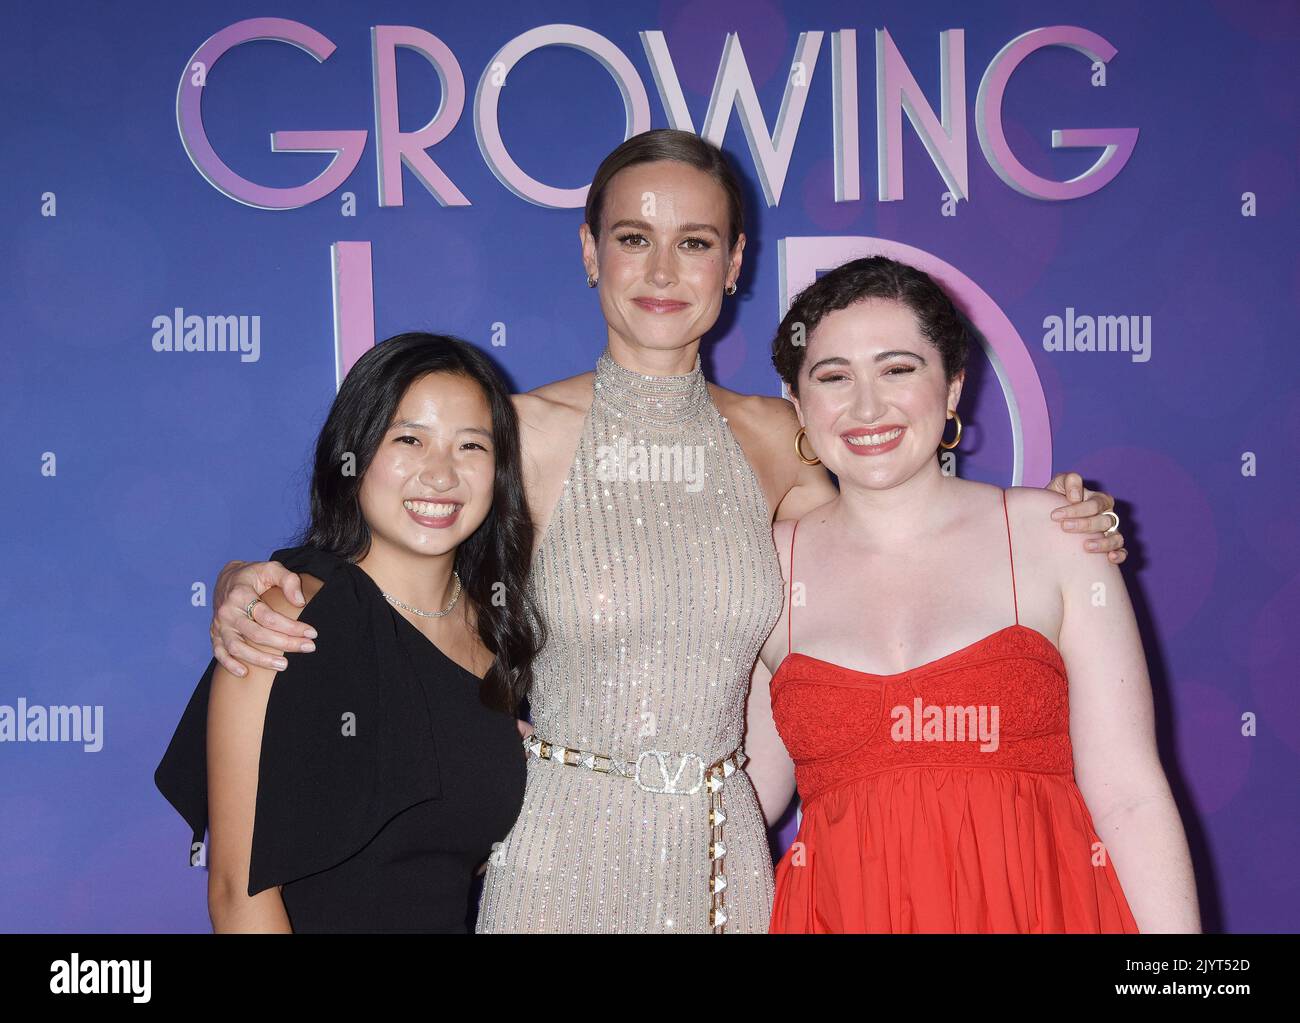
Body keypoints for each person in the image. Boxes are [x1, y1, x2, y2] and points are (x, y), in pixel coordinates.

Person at [201, 130, 1128, 933]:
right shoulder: (514, 434)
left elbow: (894, 537)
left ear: (734, 263)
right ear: (590, 251)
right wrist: (262, 579)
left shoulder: (783, 440)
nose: (661, 272)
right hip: (556, 861)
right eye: (633, 238)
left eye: (694, 243)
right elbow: (397, 576)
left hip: (726, 865)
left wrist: (1045, 522)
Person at [760, 256, 1200, 933]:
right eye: (834, 376)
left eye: (898, 369)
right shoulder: (760, 569)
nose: (867, 407)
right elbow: (739, 800)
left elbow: (1130, 796)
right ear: (797, 403)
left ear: (953, 387)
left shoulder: (1056, 534)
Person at [154, 333, 544, 932]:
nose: (441, 474)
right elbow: (239, 894)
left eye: (471, 445)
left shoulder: (497, 637)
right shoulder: (285, 615)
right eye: (409, 439)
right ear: (354, 454)